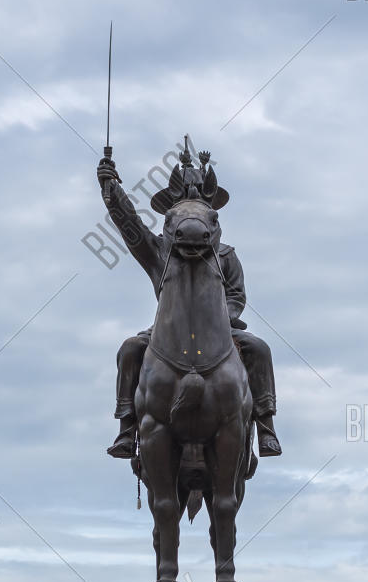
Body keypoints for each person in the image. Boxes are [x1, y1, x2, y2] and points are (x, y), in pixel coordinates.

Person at [98, 144, 281, 461]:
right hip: (168, 331)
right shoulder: (158, 253)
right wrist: (111, 190)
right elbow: (129, 224)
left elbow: (236, 295)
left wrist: (225, 319)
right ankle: (127, 427)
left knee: (260, 350)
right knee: (129, 348)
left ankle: (266, 427)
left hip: (219, 330)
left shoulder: (226, 256)